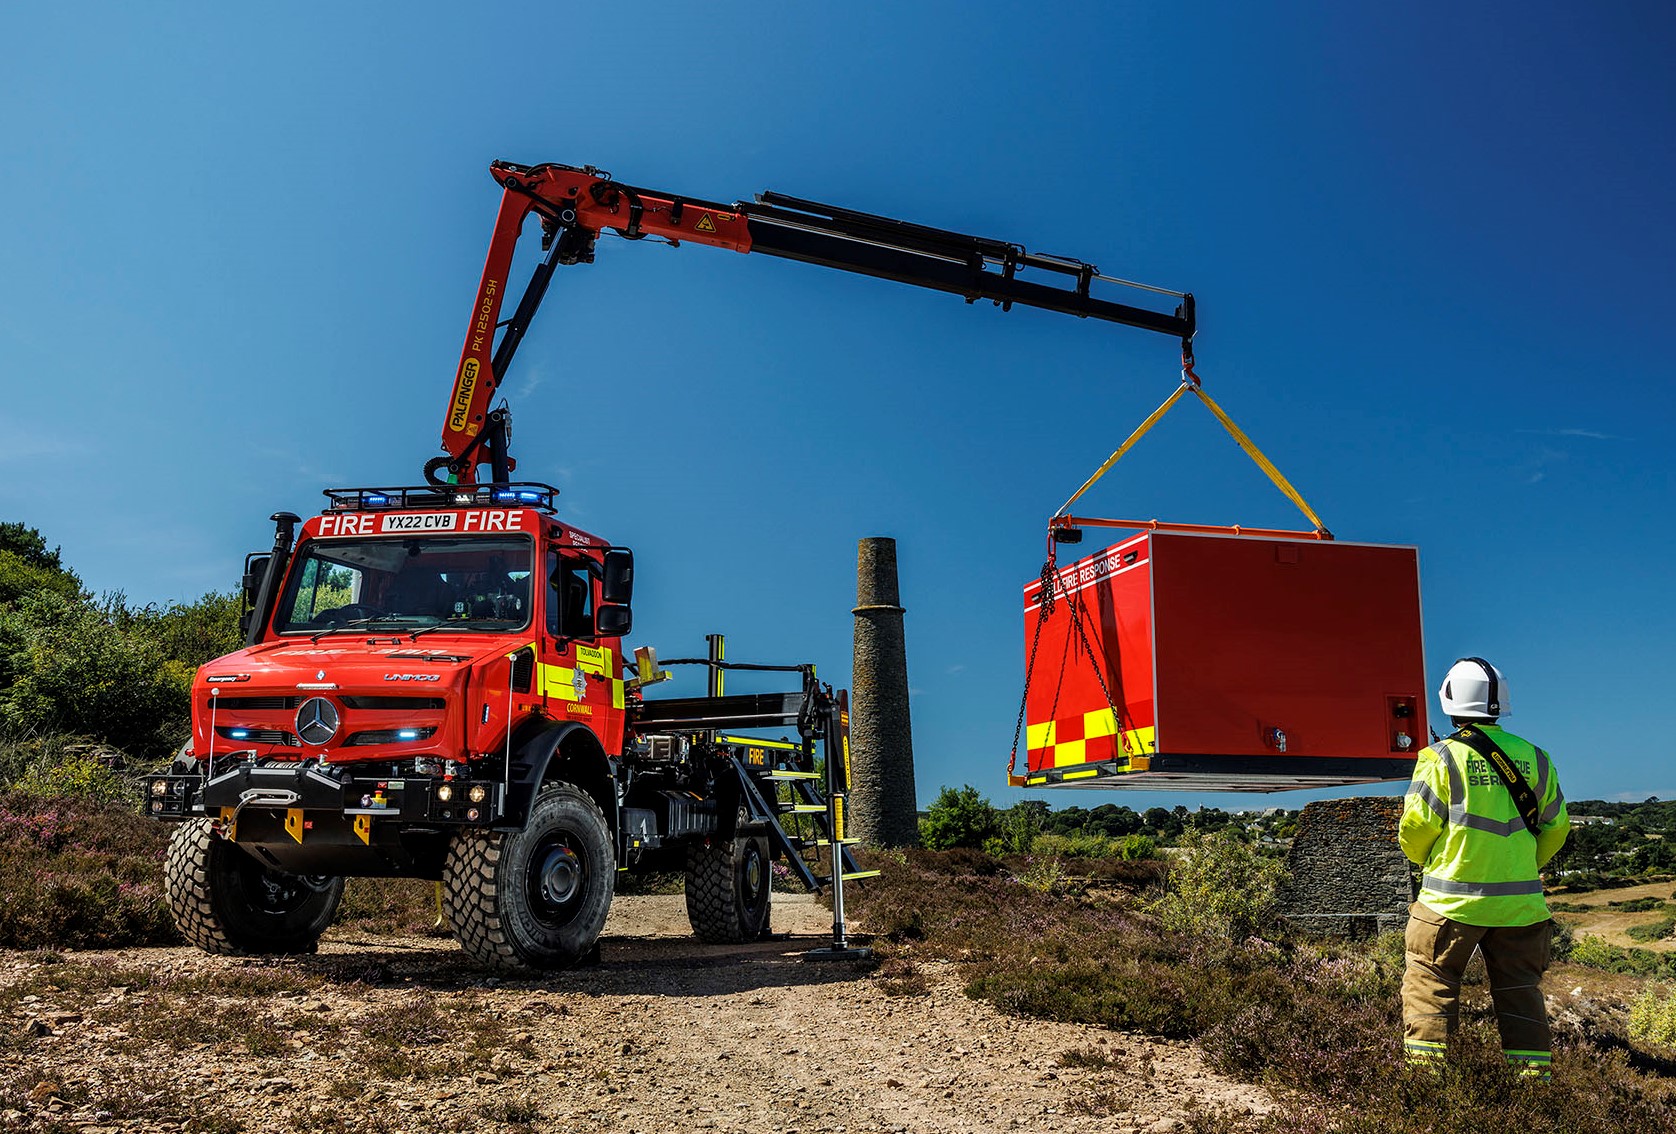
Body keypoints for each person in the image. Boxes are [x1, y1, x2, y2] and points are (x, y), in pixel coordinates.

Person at [1398, 657, 1569, 1080]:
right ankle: (1534, 1090)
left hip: (1449, 903)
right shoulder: (1536, 758)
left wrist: (1427, 861)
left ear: (1451, 703)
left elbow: (1416, 827)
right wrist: (1524, 869)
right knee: (1520, 997)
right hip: (1521, 909)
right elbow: (1557, 828)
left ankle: (1427, 1087)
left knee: (1429, 986)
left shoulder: (1440, 759)